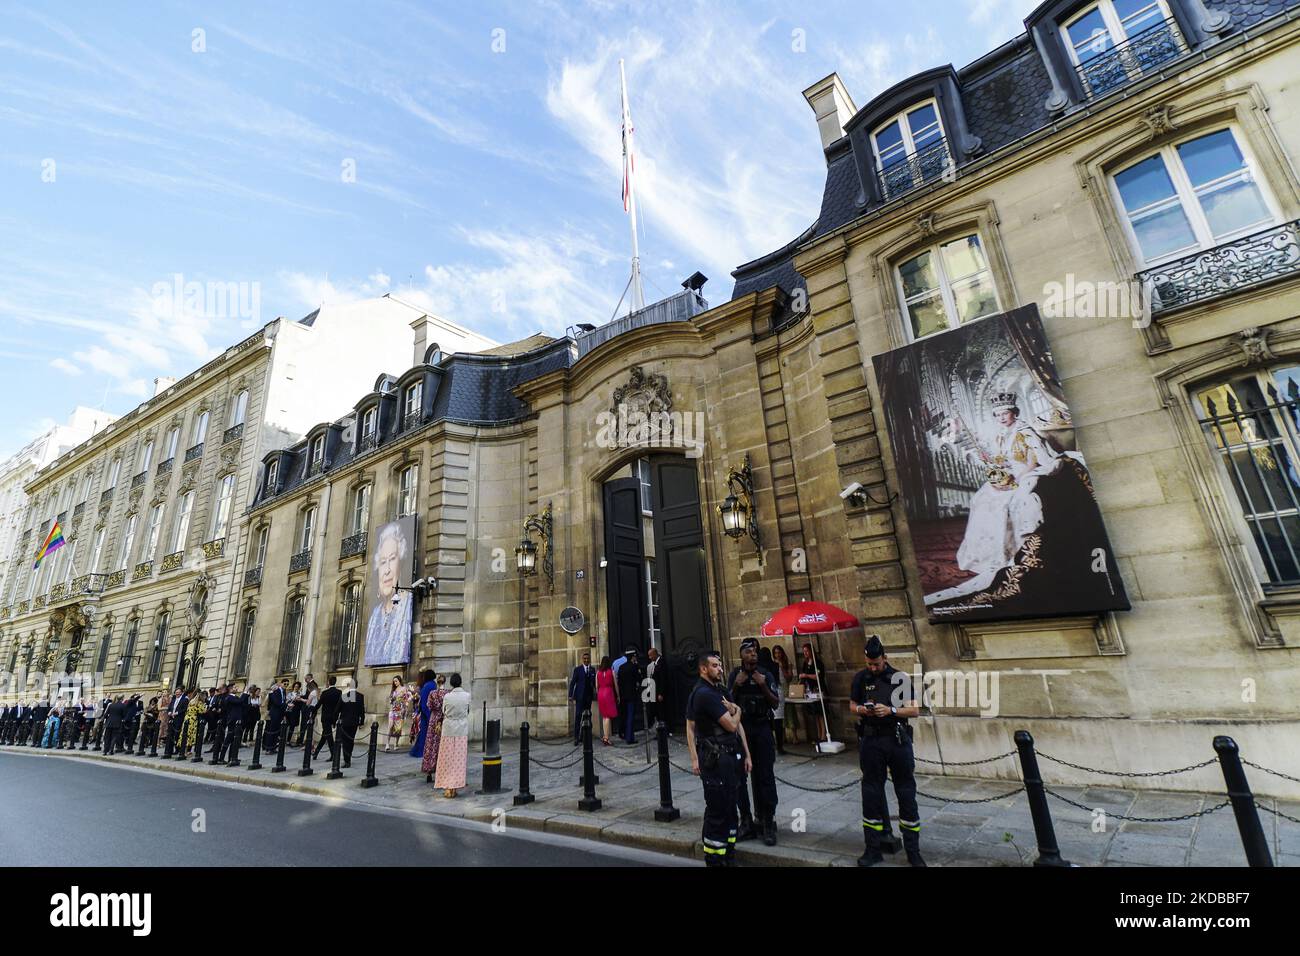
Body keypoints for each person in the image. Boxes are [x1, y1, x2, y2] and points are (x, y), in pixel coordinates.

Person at [850, 635, 925, 867]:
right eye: (869, 663)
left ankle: (913, 850)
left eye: (877, 663)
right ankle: (873, 848)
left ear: (885, 658)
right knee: (871, 794)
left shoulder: (898, 678)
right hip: (871, 741)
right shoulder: (861, 678)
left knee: (906, 792)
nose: (873, 667)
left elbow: (914, 710)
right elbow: (852, 705)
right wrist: (864, 709)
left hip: (897, 740)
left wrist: (890, 710)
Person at [686, 651, 750, 868]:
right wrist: (738, 710)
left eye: (720, 665)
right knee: (718, 811)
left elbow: (736, 726)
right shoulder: (703, 694)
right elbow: (731, 723)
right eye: (715, 665)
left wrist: (747, 754)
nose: (720, 669)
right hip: (716, 759)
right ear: (703, 669)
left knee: (731, 809)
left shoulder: (720, 690)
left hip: (731, 756)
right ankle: (714, 860)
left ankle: (728, 855)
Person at [729, 638, 780, 846]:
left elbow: (775, 703)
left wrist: (762, 686)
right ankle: (746, 821)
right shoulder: (735, 675)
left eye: (755, 651)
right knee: (740, 778)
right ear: (741, 654)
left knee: (765, 776)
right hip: (742, 732)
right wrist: (736, 685)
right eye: (749, 651)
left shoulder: (765, 675)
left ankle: (767, 821)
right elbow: (727, 704)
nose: (753, 654)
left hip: (762, 730)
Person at [364, 522, 414, 667]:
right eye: (382, 562)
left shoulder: (408, 604)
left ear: (402, 562)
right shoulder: (374, 615)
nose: (386, 570)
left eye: (392, 559)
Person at [434, 674, 471, 798]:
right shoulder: (467, 696)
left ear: (451, 684)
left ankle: (448, 787)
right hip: (461, 729)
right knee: (459, 760)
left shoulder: (447, 697)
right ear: (460, 682)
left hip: (448, 729)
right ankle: (455, 785)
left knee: (447, 759)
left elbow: (444, 711)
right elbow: (467, 711)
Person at [797, 642, 827, 743]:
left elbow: (818, 676)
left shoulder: (818, 663)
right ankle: (818, 734)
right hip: (809, 690)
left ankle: (824, 735)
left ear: (811, 651)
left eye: (807, 651)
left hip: (818, 689)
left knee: (821, 713)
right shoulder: (805, 663)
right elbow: (804, 674)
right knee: (815, 714)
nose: (805, 653)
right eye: (804, 651)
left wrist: (806, 675)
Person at [760, 646, 787, 755]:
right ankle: (780, 746)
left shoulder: (759, 669)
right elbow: (781, 680)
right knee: (778, 723)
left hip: (765, 696)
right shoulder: (775, 666)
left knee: (768, 722)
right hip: (777, 694)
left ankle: (770, 745)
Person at [421, 677, 447, 783]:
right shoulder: (447, 693)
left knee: (431, 744)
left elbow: (429, 705)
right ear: (444, 682)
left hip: (433, 719)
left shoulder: (432, 693)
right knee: (441, 744)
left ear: (437, 682)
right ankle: (442, 770)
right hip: (443, 719)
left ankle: (429, 771)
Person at [567, 652, 596, 746]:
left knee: (587, 716)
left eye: (588, 659)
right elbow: (573, 683)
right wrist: (570, 695)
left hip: (588, 697)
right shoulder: (578, 670)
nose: (586, 660)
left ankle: (585, 736)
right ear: (582, 659)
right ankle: (576, 737)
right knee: (578, 716)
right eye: (585, 659)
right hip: (579, 697)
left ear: (589, 659)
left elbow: (594, 683)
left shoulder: (592, 670)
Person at [616, 647, 643, 744]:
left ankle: (623, 733)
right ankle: (629, 738)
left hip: (623, 696)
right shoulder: (634, 667)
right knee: (631, 716)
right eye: (635, 657)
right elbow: (639, 679)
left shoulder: (621, 667)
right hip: (631, 695)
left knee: (625, 715)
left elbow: (619, 682)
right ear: (633, 657)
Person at [314, 677, 343, 763]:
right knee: (325, 735)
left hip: (326, 717)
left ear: (328, 682)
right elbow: (340, 705)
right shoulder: (339, 692)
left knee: (328, 736)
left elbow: (319, 704)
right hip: (334, 717)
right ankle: (316, 752)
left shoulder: (325, 693)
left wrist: (312, 711)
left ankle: (333, 754)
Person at [410, 671, 438, 758]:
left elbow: (423, 701)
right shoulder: (432, 685)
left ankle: (419, 750)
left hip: (425, 712)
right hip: (428, 712)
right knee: (426, 734)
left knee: (423, 733)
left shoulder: (427, 685)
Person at [338, 683, 366, 768]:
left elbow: (337, 709)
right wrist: (362, 721)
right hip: (354, 722)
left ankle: (347, 760)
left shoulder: (344, 696)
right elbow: (362, 710)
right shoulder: (360, 696)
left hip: (345, 721)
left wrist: (334, 720)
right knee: (351, 740)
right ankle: (348, 757)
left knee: (345, 741)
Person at [595, 656, 618, 746]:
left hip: (601, 693)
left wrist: (599, 694)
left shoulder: (598, 673)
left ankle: (605, 736)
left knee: (604, 716)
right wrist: (618, 695)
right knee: (608, 716)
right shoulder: (611, 672)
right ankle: (606, 738)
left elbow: (596, 686)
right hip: (608, 692)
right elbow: (615, 685)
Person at [263, 680, 288, 752]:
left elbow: (282, 702)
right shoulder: (275, 692)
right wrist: (286, 705)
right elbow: (276, 702)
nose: (286, 685)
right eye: (284, 684)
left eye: (287, 684)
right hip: (274, 713)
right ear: (280, 684)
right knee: (272, 730)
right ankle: (268, 748)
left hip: (280, 713)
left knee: (277, 731)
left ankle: (273, 747)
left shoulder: (283, 692)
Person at [384, 676, 407, 752]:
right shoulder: (393, 690)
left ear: (399, 681)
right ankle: (387, 744)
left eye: (396, 681)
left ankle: (396, 744)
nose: (395, 683)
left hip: (400, 711)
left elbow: (406, 700)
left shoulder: (404, 689)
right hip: (393, 710)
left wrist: (404, 710)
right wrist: (391, 702)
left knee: (398, 728)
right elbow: (391, 701)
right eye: (394, 681)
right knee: (390, 726)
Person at [644, 647, 665, 731]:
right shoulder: (654, 664)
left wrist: (661, 693)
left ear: (655, 654)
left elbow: (663, 679)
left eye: (650, 655)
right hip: (654, 691)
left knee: (661, 712)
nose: (649, 657)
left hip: (659, 692)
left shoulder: (661, 663)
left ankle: (662, 730)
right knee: (656, 711)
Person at [183, 688, 207, 753]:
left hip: (187, 718)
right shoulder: (198, 702)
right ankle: (188, 751)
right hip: (193, 719)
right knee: (190, 735)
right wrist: (205, 706)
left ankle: (183, 750)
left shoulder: (191, 700)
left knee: (185, 733)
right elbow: (202, 711)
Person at [284, 681, 303, 747]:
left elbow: (301, 702)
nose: (296, 688)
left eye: (297, 687)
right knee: (286, 725)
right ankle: (283, 739)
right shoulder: (290, 694)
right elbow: (286, 701)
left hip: (296, 711)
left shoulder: (300, 694)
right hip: (289, 711)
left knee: (292, 726)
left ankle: (288, 740)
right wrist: (292, 699)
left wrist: (299, 699)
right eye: (295, 686)